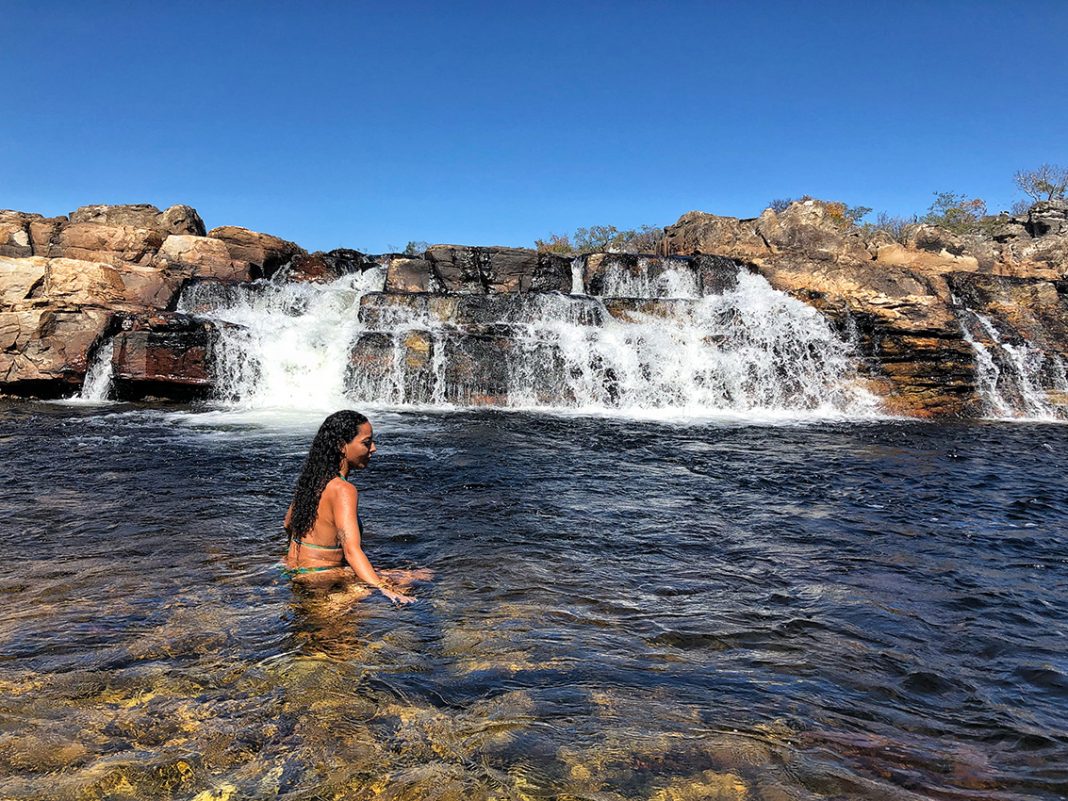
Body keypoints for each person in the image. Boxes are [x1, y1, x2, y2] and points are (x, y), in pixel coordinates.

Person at [282, 410, 422, 604]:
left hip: (293, 569)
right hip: (321, 578)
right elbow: (351, 549)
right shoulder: (344, 489)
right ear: (341, 446)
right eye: (366, 443)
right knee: (422, 576)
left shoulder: (313, 479)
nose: (373, 449)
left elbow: (288, 524)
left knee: (400, 574)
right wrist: (383, 589)